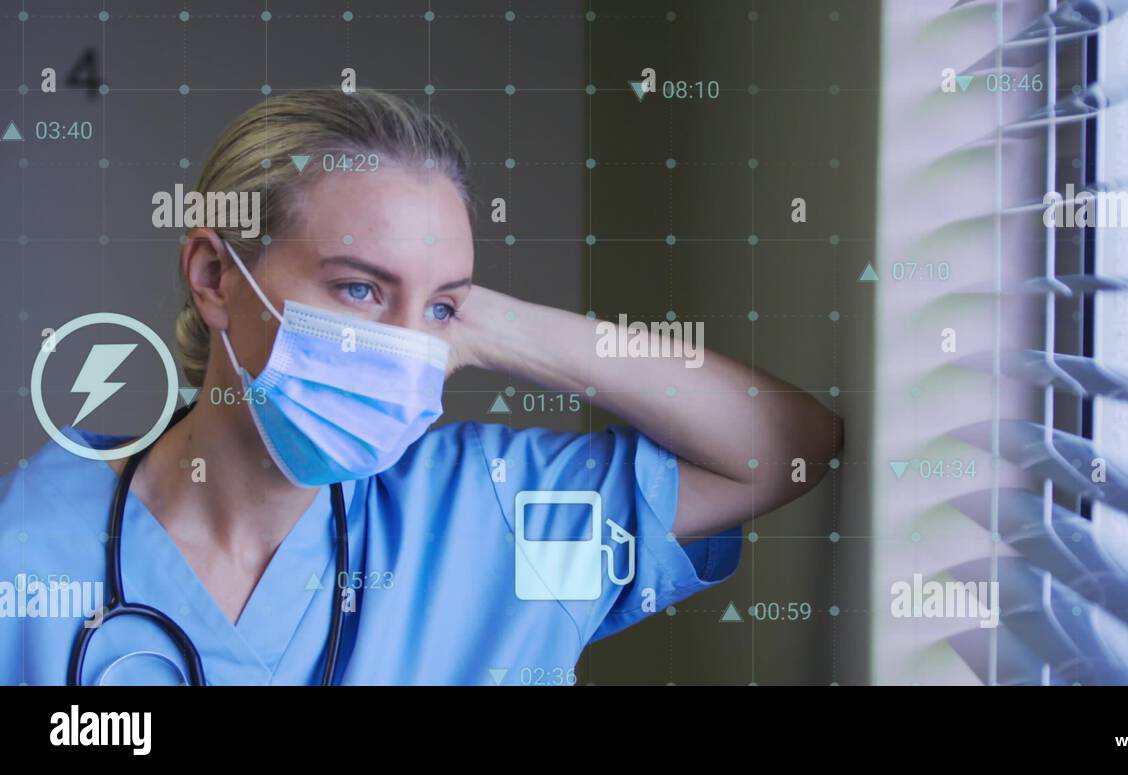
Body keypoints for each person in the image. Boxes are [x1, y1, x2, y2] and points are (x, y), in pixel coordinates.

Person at [0, 89, 843, 685]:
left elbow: (786, 448)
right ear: (216, 274)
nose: (405, 348)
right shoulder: (34, 542)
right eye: (361, 288)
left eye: (438, 305)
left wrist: (487, 324)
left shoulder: (488, 511)